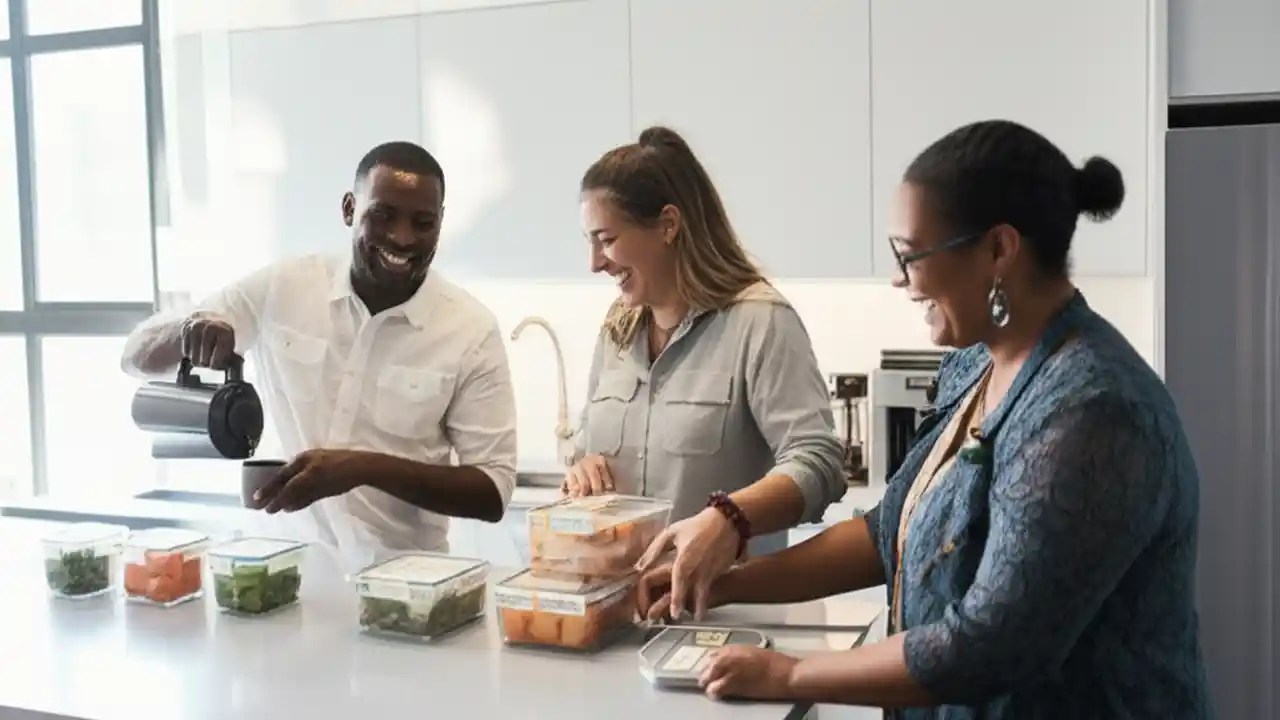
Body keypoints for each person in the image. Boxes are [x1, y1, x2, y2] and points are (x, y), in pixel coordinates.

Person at [637, 120, 1211, 718]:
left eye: (909, 256)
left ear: (998, 249)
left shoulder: (1092, 412)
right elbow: (888, 533)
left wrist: (792, 675)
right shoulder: (974, 365)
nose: (899, 278)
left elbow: (992, 644)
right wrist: (724, 582)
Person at [121, 141, 517, 570]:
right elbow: (135, 358)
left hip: (403, 587)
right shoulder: (285, 287)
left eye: (422, 223)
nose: (403, 238)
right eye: (382, 215)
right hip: (279, 570)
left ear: (440, 224)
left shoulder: (470, 330)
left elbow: (493, 491)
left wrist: (362, 468)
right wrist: (187, 330)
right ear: (350, 209)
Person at [565, 125, 847, 619]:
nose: (595, 263)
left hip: (728, 618)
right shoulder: (616, 330)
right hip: (621, 616)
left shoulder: (761, 322)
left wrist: (730, 519)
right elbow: (588, 447)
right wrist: (581, 467)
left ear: (668, 225)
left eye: (606, 240)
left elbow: (820, 462)